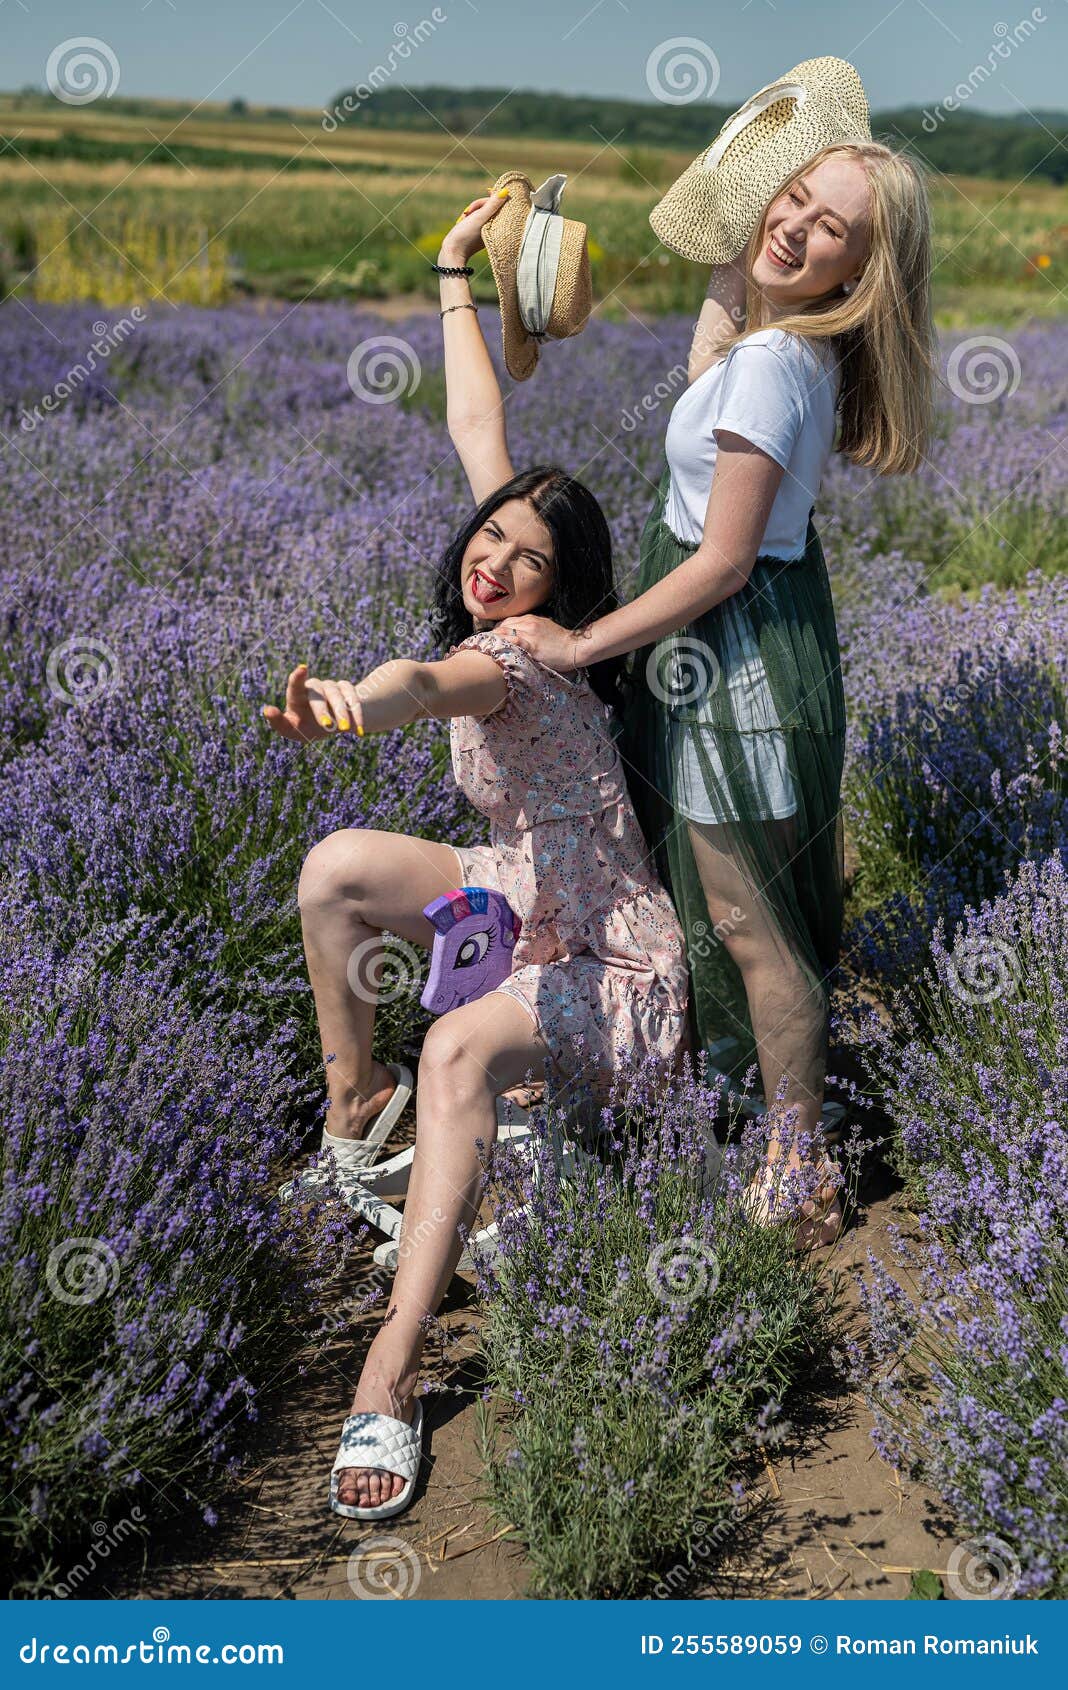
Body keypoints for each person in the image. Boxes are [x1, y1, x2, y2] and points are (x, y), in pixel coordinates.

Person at [262, 193, 687, 1519]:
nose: (497, 562)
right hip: (520, 898)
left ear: (566, 589)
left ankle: (391, 1363)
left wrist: (354, 703)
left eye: (530, 558)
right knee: (335, 865)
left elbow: (425, 680)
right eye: (489, 542)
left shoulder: (519, 654)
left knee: (458, 1048)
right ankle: (357, 1118)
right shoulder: (508, 596)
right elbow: (474, 430)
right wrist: (454, 269)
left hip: (619, 965)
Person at [498, 141, 937, 1245]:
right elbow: (705, 385)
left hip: (732, 659)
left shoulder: (783, 363)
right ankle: (737, 1117)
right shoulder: (768, 345)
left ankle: (801, 1171)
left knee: (751, 923)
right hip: (723, 651)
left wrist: (580, 640)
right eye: (790, 200)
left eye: (827, 227)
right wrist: (729, 253)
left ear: (859, 270)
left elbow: (724, 558)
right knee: (719, 902)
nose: (795, 227)